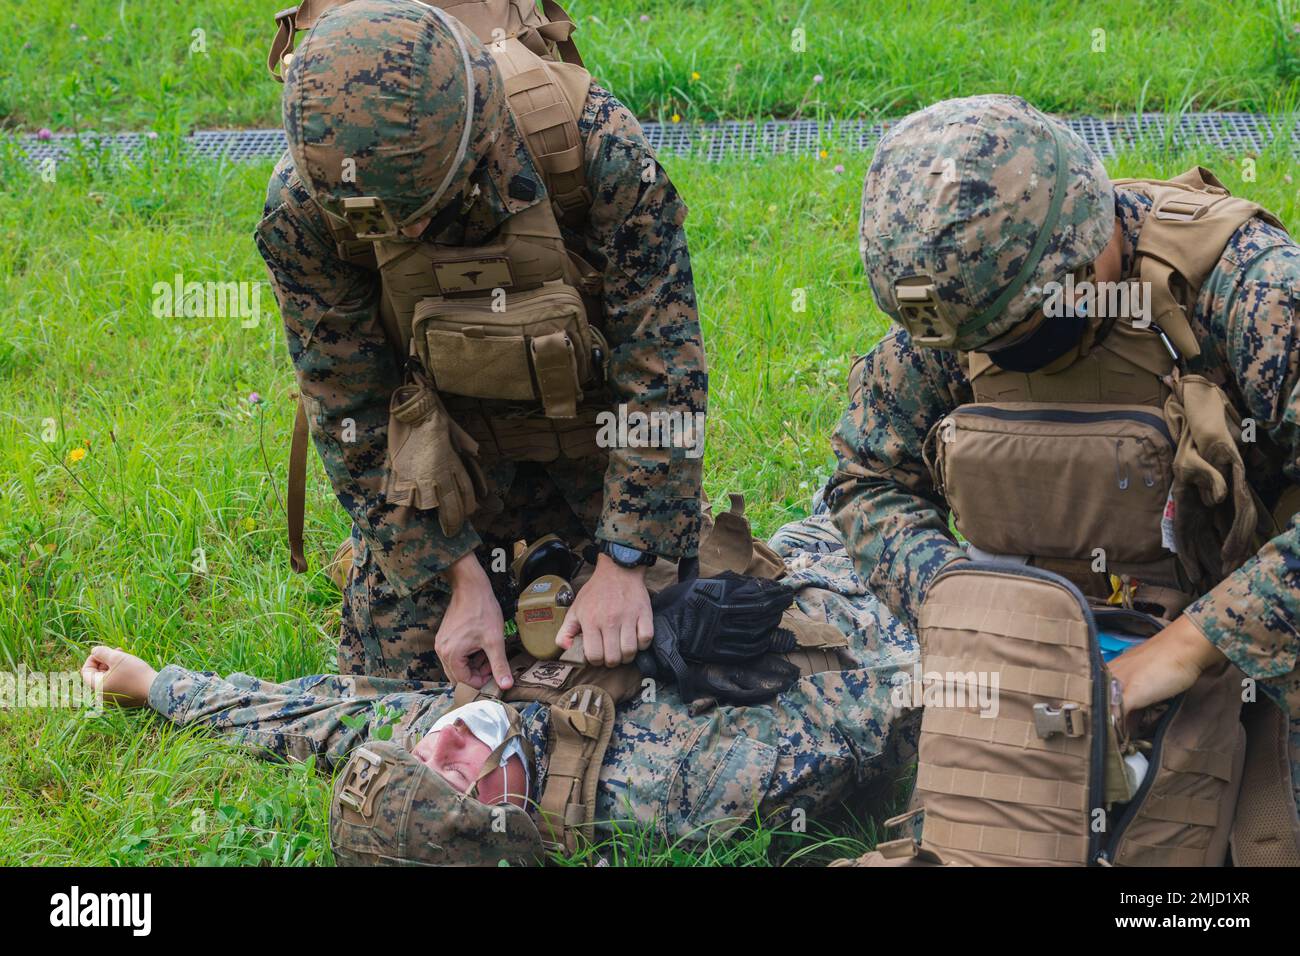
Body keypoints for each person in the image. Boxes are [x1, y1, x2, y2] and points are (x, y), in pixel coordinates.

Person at [827, 93, 1300, 803]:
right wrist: (967, 609)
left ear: (1092, 250)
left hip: (1248, 626)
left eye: (1026, 336)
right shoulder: (967, 301)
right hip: (1039, 643)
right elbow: (869, 477)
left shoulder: (1251, 290)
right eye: (982, 346)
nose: (1000, 358)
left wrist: (1186, 647)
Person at [255, 0, 707, 688]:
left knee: (682, 664)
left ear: (475, 143)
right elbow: (350, 409)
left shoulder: (591, 146)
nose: (401, 239)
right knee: (405, 706)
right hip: (447, 486)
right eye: (385, 226)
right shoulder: (307, 208)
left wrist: (625, 559)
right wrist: (454, 573)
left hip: (598, 464)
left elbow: (662, 365)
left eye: (420, 214)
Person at [79, 517, 920, 864]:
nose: (439, 735)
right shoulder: (662, 794)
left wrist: (158, 686)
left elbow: (311, 720)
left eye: (417, 747)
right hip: (874, 624)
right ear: (502, 818)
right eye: (445, 766)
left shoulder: (459, 733)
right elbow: (860, 718)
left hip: (799, 552)